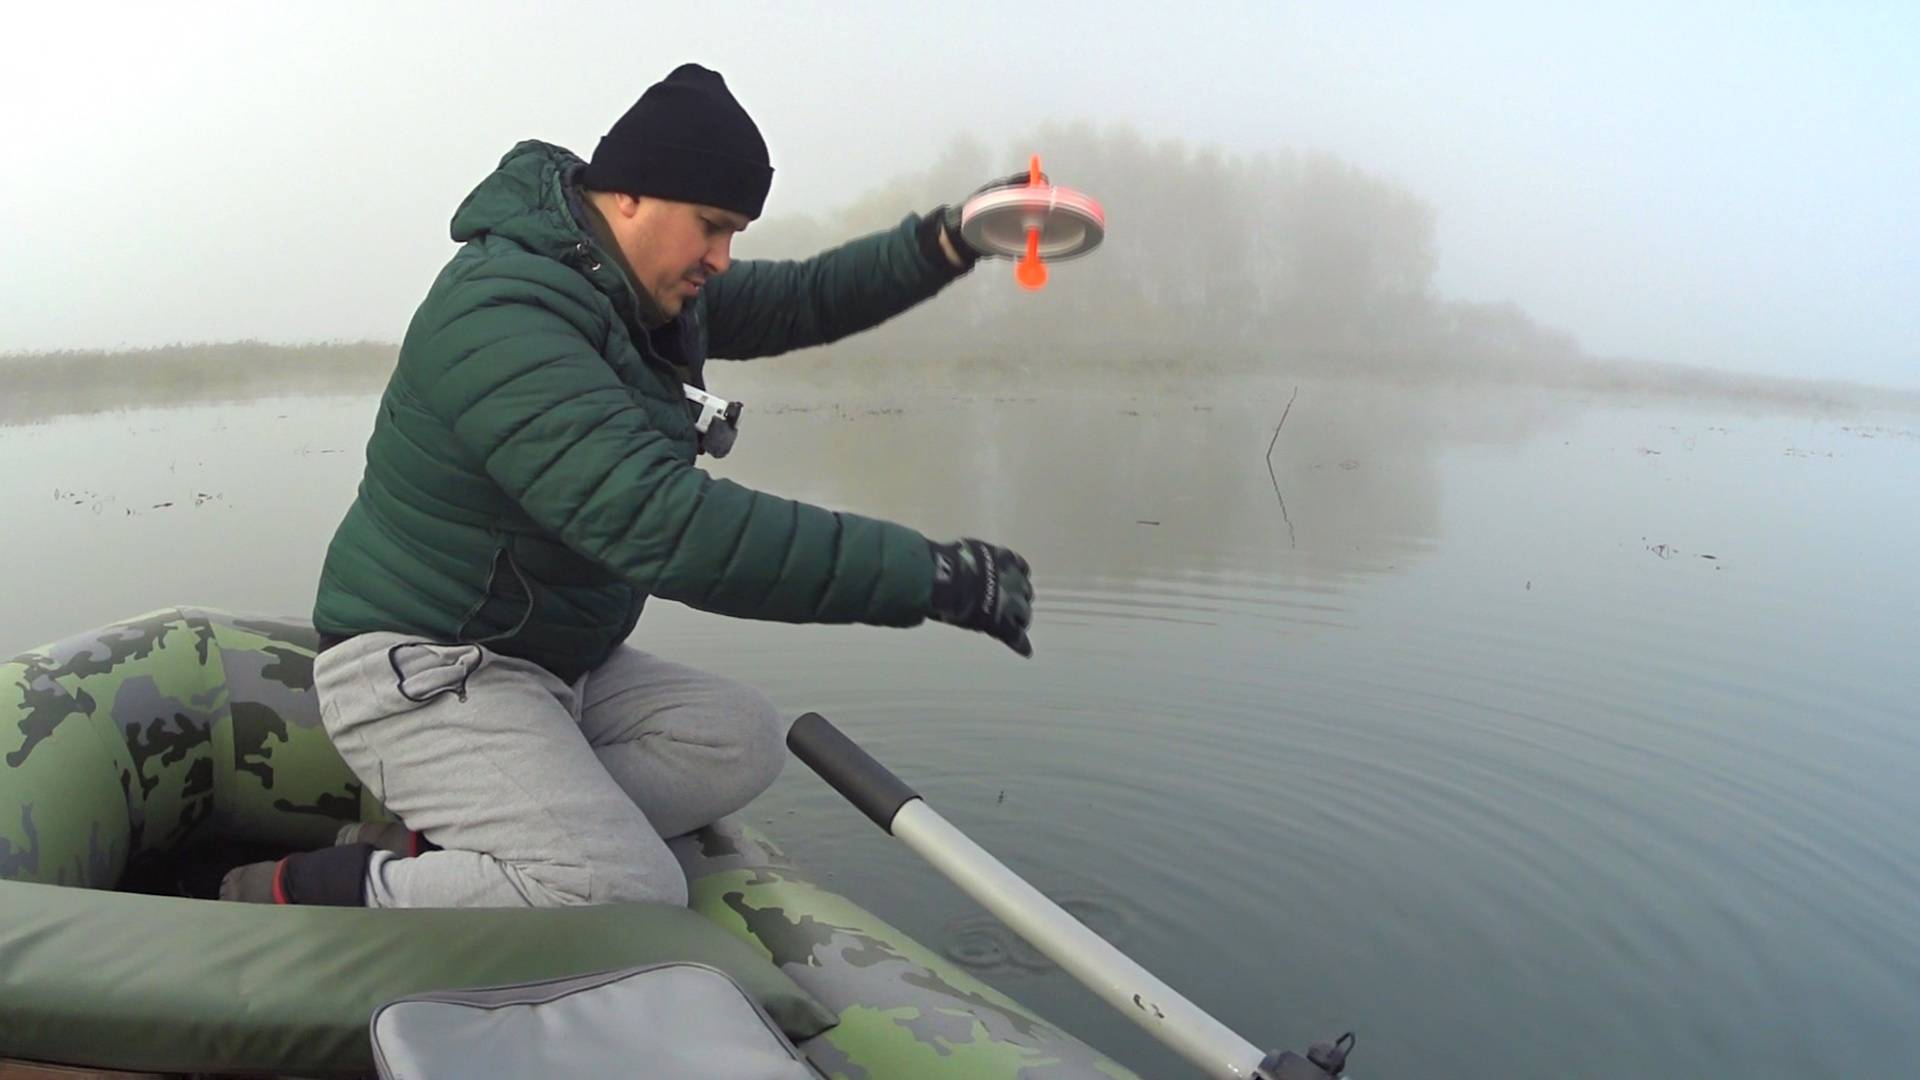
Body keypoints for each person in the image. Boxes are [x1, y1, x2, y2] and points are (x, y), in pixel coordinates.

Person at [219, 63, 1034, 908]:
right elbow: (664, 526)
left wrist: (954, 236)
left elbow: (806, 298)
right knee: (621, 883)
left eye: (736, 233)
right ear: (632, 196)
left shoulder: (641, 292)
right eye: (712, 227)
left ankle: (446, 839)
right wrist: (929, 575)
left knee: (742, 739)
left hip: (549, 663)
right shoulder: (504, 314)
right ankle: (306, 886)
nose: (722, 259)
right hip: (425, 668)